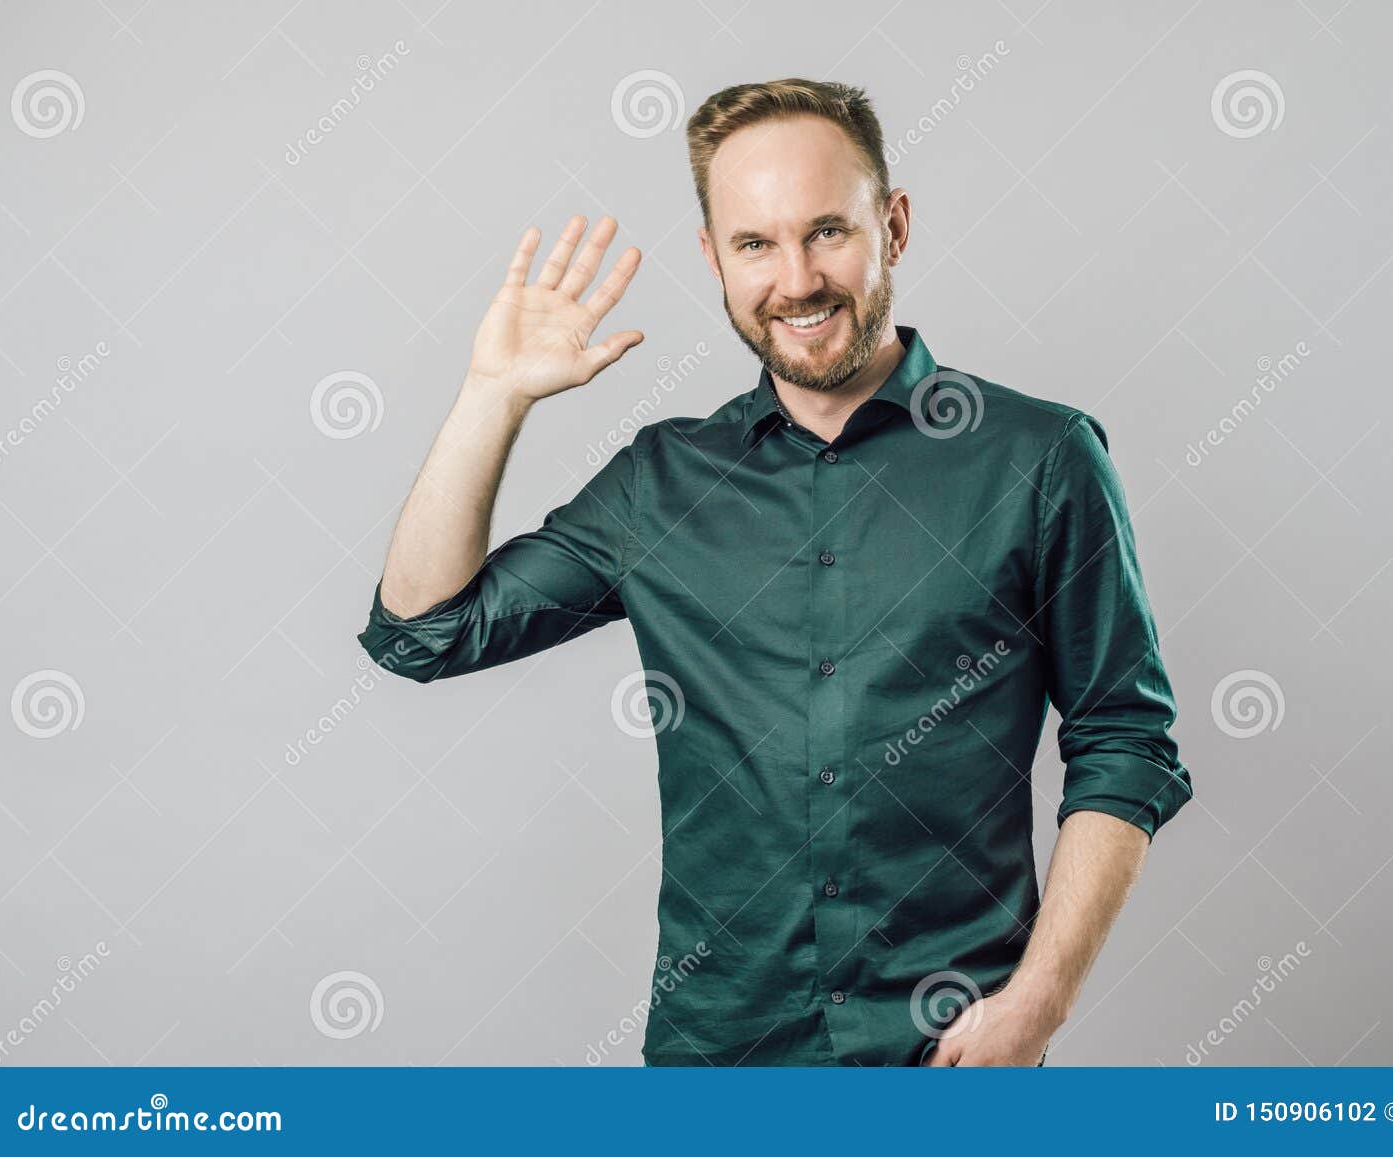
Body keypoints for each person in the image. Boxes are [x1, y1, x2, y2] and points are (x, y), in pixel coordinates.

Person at [357, 77, 1193, 1067]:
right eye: (755, 243)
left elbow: (1125, 741)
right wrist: (493, 396)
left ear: (894, 226)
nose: (796, 280)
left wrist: (1036, 1005)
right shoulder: (661, 482)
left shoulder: (1039, 459)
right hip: (718, 1062)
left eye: (826, 231)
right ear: (714, 257)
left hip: (951, 1060)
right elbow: (423, 633)